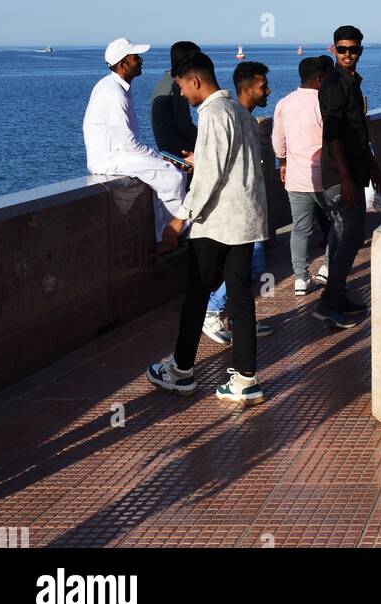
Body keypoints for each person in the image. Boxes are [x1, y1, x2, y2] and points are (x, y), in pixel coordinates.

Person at [147, 51, 268, 403]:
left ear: (196, 81)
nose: (182, 94)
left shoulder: (214, 114)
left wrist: (179, 218)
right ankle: (246, 379)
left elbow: (211, 175)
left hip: (216, 223)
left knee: (197, 295)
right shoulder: (241, 114)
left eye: (183, 86)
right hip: (244, 220)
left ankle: (181, 370)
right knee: (242, 299)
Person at [313, 25, 381, 330]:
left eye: (353, 49)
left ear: (360, 51)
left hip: (353, 171)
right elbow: (333, 136)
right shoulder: (334, 84)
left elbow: (356, 132)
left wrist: (372, 166)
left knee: (348, 235)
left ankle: (339, 298)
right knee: (351, 235)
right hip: (338, 175)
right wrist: (345, 179)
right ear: (334, 50)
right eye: (342, 49)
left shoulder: (351, 82)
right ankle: (329, 303)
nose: (347, 54)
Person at [83, 38, 186, 242]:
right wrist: (159, 158)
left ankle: (163, 236)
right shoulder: (115, 94)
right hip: (113, 159)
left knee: (164, 175)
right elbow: (129, 144)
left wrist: (157, 158)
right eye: (135, 57)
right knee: (173, 176)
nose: (140, 60)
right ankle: (179, 230)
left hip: (115, 155)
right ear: (123, 65)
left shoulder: (111, 86)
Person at [202, 61, 274, 345]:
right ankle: (213, 308)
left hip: (251, 209)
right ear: (246, 89)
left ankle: (239, 318)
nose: (268, 91)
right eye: (262, 86)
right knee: (254, 264)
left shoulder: (245, 118)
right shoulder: (233, 117)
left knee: (251, 266)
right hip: (237, 213)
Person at [273, 55, 335, 294]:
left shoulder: (284, 103)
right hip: (326, 177)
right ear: (320, 78)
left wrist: (283, 162)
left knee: (300, 229)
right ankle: (328, 268)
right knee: (335, 224)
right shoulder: (324, 102)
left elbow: (278, 140)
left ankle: (300, 278)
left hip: (297, 177)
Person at [151, 41, 199, 161]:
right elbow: (185, 126)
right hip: (178, 151)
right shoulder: (178, 85)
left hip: (166, 148)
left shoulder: (165, 81)